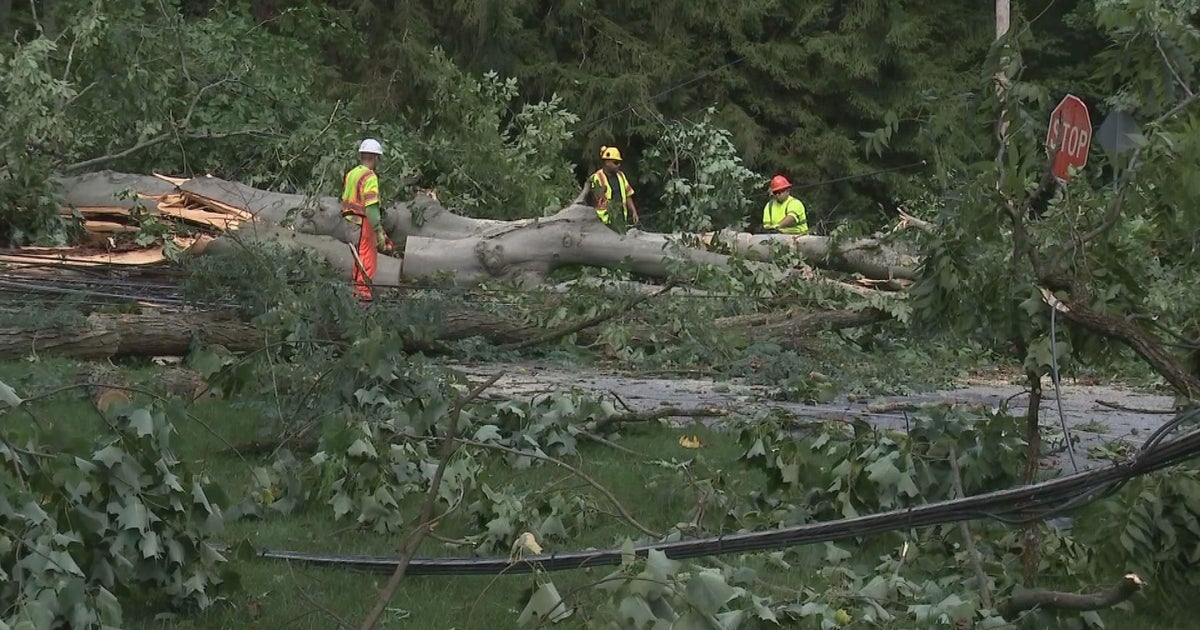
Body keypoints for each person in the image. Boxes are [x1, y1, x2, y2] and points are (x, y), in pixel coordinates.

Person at [341, 138, 393, 302]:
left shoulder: (352, 173)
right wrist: (378, 231)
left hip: (349, 221)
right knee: (367, 259)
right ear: (376, 158)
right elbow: (371, 207)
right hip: (364, 223)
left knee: (357, 258)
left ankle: (355, 292)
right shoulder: (370, 177)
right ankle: (364, 297)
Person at [580, 145, 639, 231]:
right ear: (607, 162)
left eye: (619, 162)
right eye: (615, 162)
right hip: (603, 223)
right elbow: (591, 201)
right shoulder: (596, 178)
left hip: (620, 219)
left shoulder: (621, 176)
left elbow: (628, 194)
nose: (618, 165)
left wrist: (634, 212)